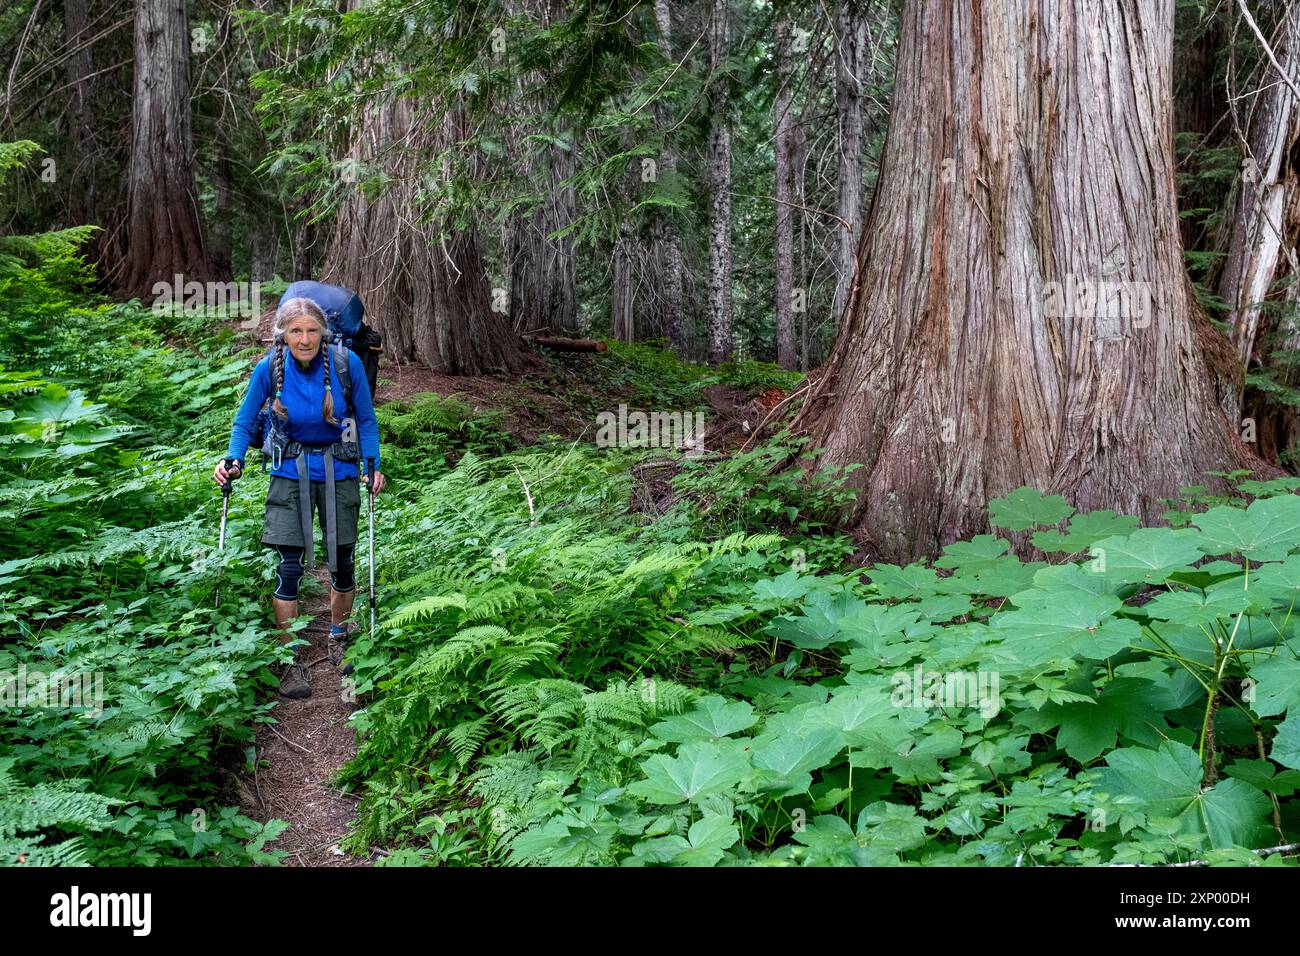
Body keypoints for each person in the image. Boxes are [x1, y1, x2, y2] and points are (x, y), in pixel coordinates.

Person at [213, 296, 385, 699]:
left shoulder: (347, 364)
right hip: (288, 471)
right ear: (283, 336)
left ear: (322, 333)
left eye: (311, 331)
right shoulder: (267, 369)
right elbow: (244, 421)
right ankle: (289, 656)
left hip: (339, 469)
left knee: (342, 560)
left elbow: (365, 420)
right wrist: (232, 460)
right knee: (287, 566)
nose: (305, 339)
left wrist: (371, 465)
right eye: (296, 331)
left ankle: (339, 637)